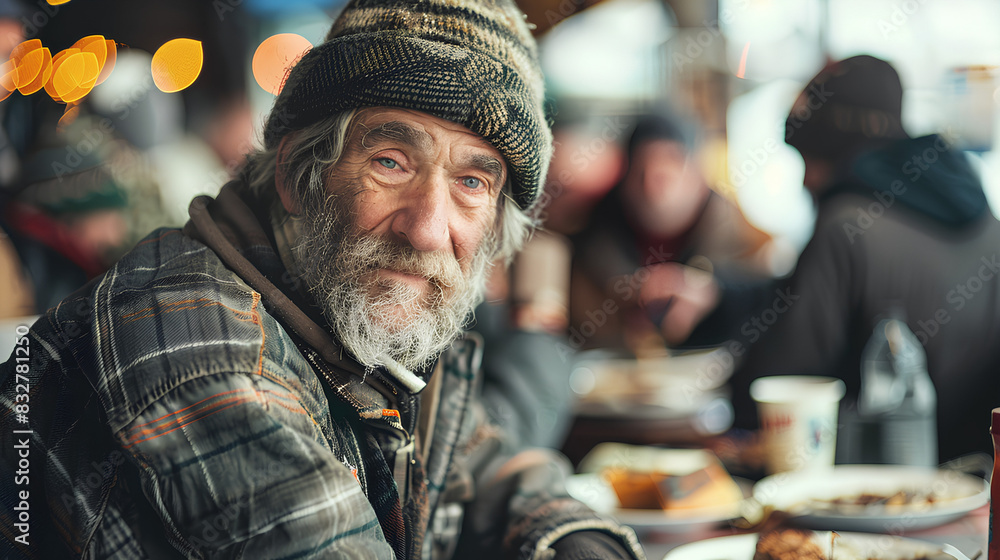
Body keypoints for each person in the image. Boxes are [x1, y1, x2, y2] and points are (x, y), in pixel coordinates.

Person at [0, 1, 646, 558]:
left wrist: (577, 539)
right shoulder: (202, 347)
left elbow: (483, 466)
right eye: (391, 162)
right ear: (296, 177)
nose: (426, 228)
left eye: (471, 182)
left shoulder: (357, 314)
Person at [640, 55, 1000, 461]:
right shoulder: (982, 217)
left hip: (873, 487)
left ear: (831, 152)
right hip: (975, 484)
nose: (801, 179)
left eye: (805, 159)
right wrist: (719, 297)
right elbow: (815, 297)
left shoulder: (845, 223)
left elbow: (778, 379)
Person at [571, 110, 772, 353]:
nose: (655, 184)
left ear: (698, 175)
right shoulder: (592, 237)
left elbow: (769, 308)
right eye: (642, 168)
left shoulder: (751, 241)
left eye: (671, 166)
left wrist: (713, 291)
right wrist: (629, 295)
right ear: (624, 177)